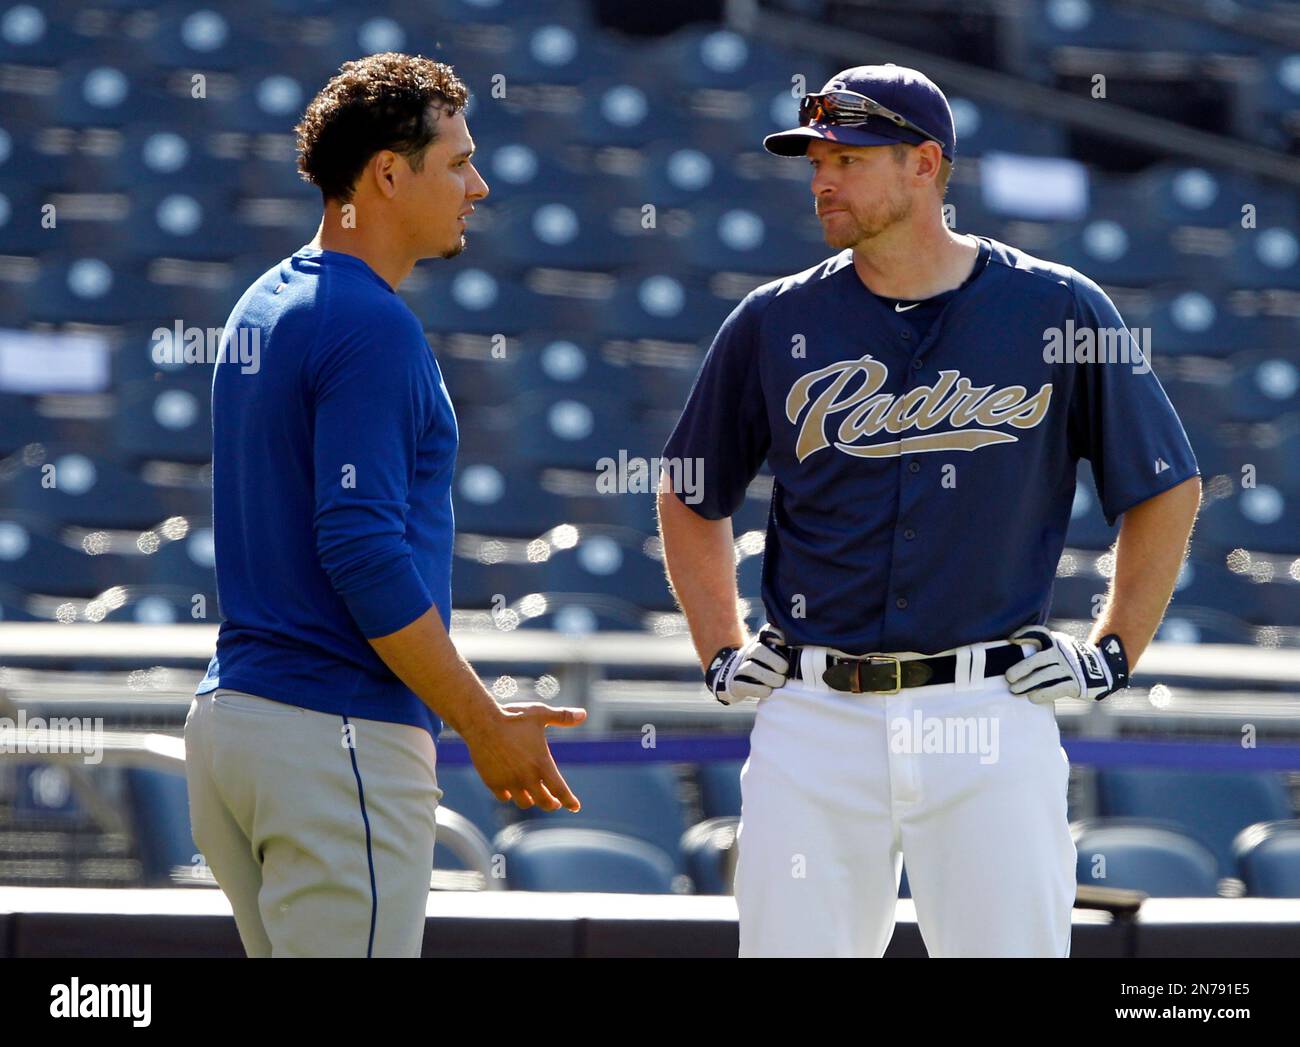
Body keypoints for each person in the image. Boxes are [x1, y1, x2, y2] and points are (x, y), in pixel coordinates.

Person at [656, 64, 1202, 958]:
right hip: (815, 716)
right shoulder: (773, 319)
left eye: (848, 156)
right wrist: (719, 645)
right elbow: (688, 488)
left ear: (924, 164)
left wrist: (1113, 651)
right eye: (815, 159)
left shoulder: (1056, 307)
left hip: (991, 709)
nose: (823, 177)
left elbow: (1166, 483)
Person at [184, 53, 584, 959]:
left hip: (236, 729)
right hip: (334, 740)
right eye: (457, 163)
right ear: (389, 174)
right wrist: (486, 726)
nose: (477, 185)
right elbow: (359, 550)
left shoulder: (263, 302)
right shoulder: (369, 323)